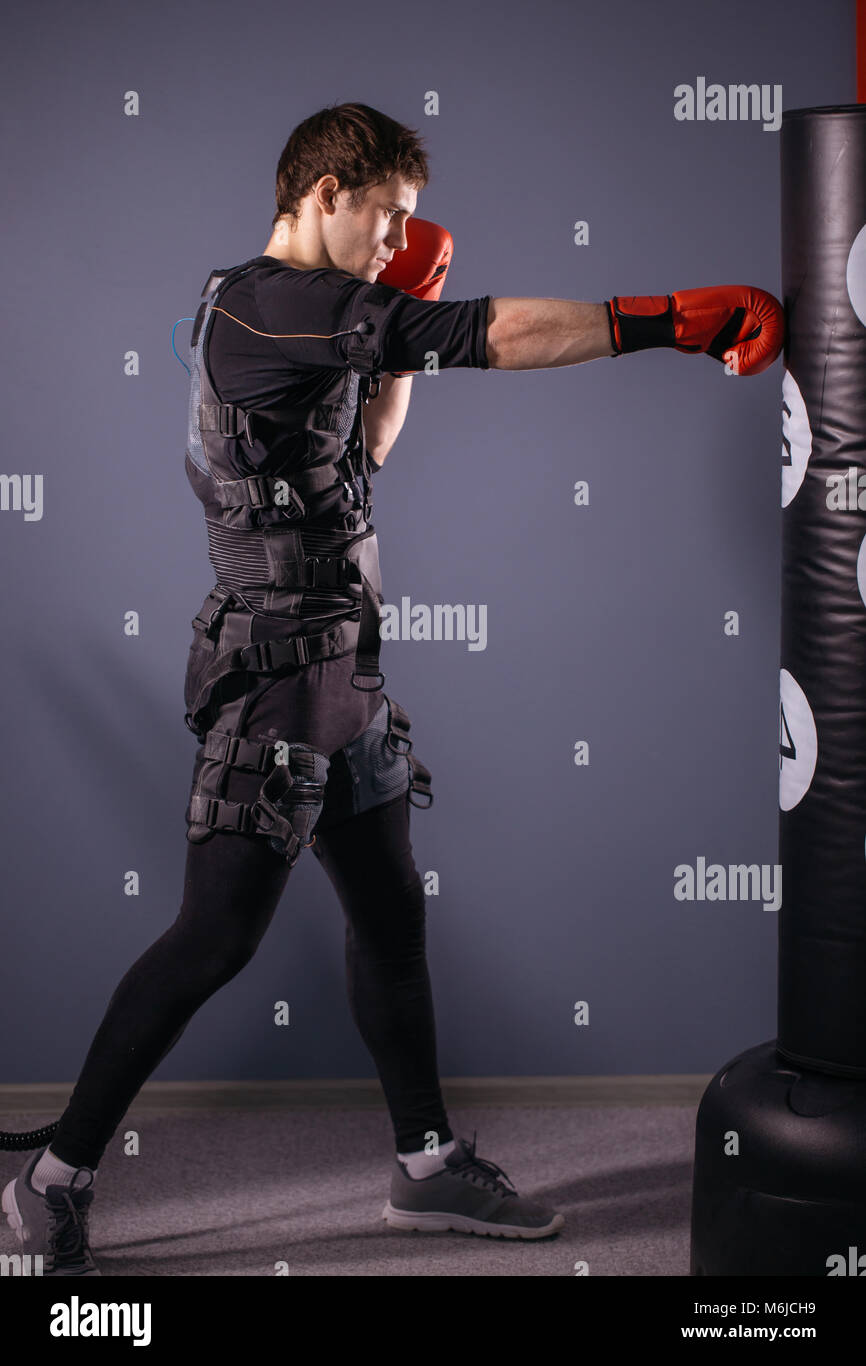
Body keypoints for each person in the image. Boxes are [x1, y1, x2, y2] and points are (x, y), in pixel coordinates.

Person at [1, 102, 782, 1277]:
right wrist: (661, 322)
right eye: (388, 217)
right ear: (324, 192)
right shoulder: (272, 299)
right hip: (271, 678)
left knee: (389, 921)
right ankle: (51, 1183)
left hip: (343, 674)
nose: (396, 240)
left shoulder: (317, 322)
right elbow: (492, 335)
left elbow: (364, 456)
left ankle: (423, 1168)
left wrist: (400, 342)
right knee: (214, 938)